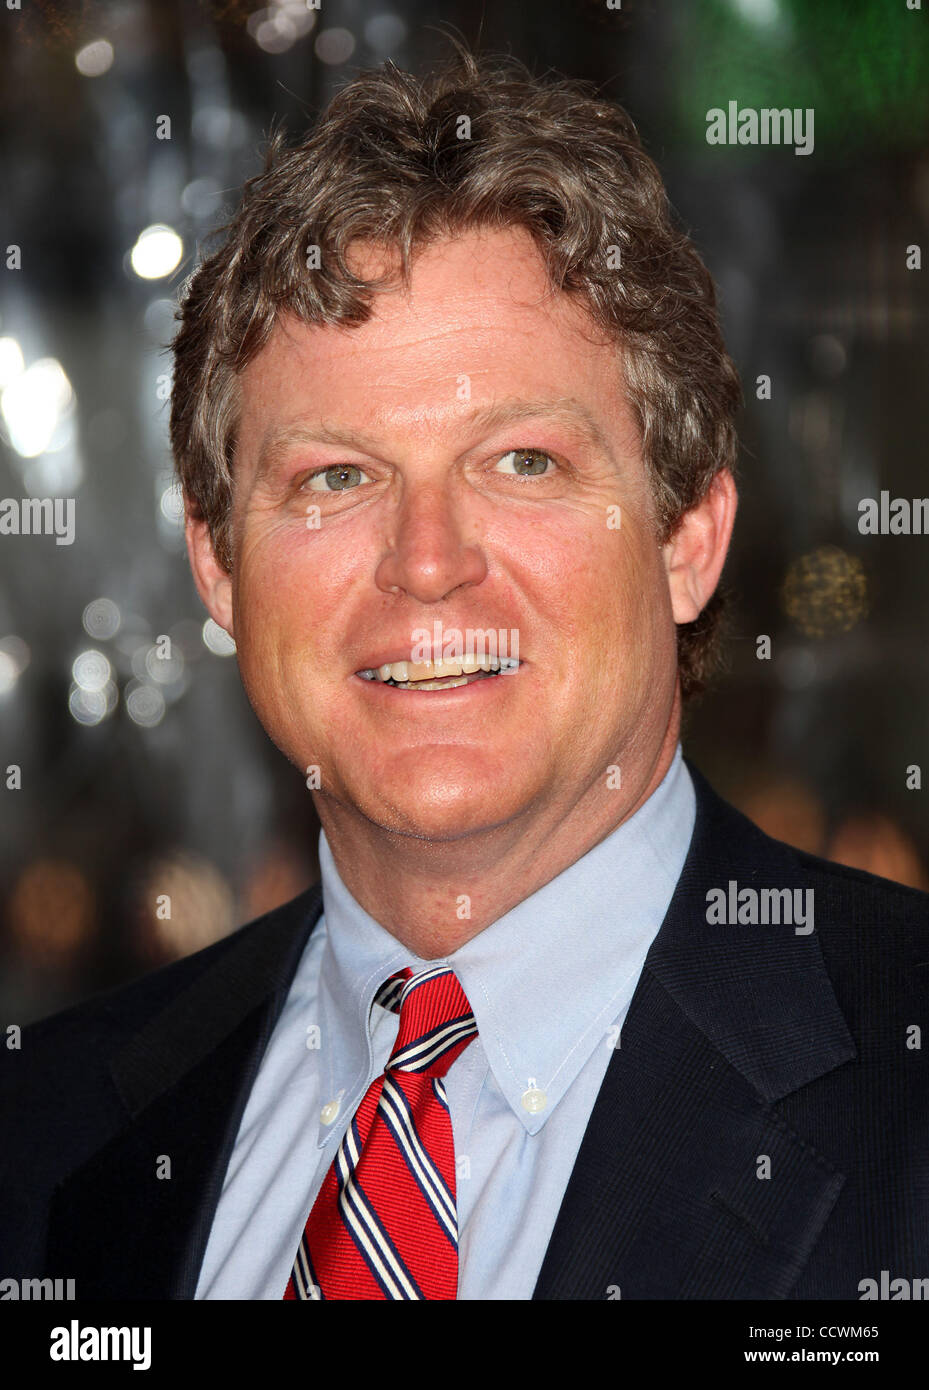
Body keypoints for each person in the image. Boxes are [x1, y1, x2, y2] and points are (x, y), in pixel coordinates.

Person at [1, 50, 926, 1302]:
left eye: (522, 462)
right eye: (334, 477)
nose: (425, 565)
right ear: (218, 570)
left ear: (685, 541)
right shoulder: (44, 1129)